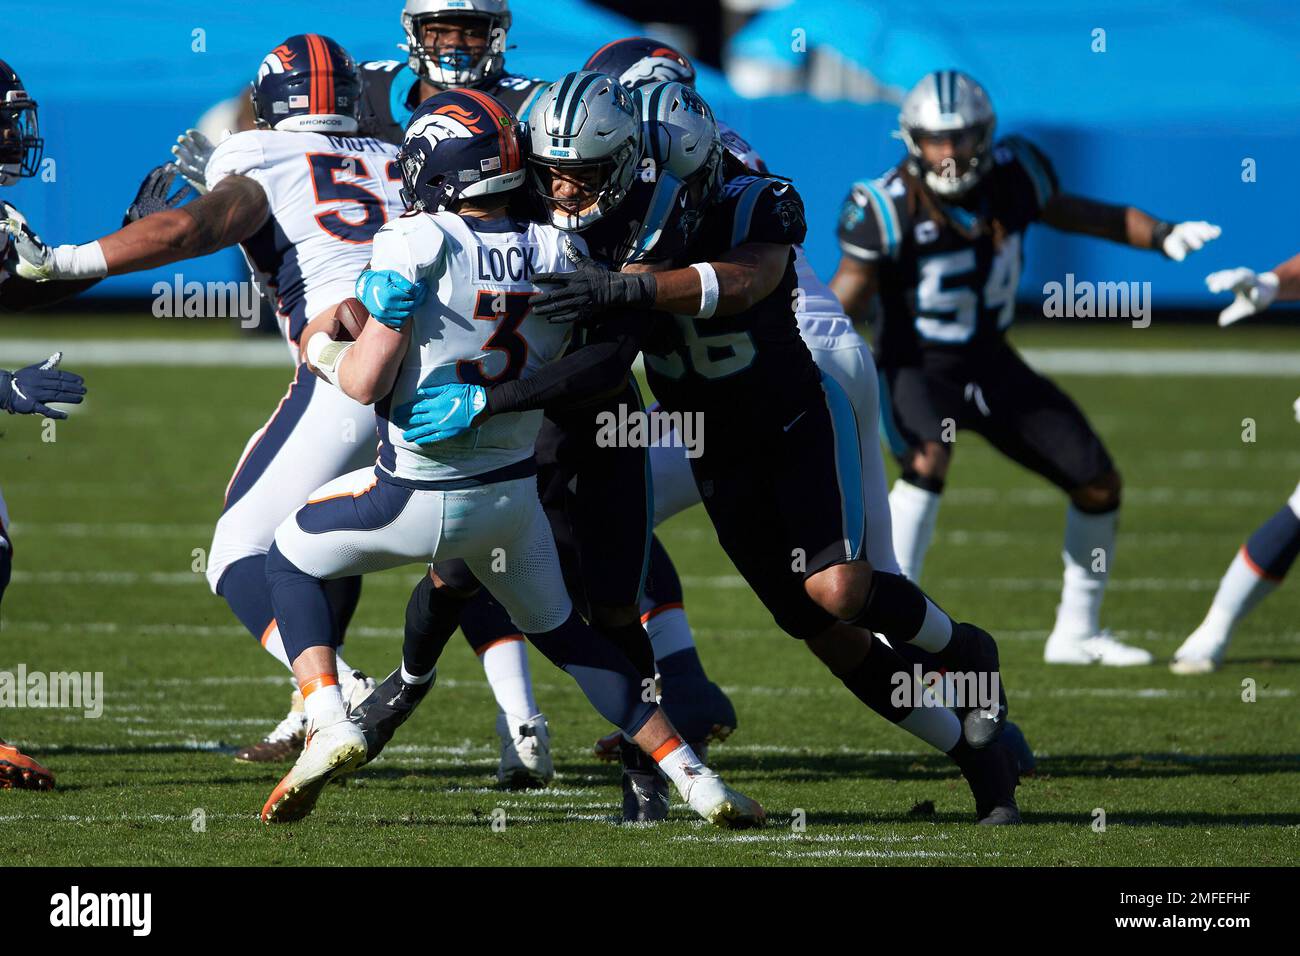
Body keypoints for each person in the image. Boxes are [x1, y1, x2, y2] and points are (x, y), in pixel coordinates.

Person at [259, 90, 764, 828]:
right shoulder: (561, 247)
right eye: (550, 170)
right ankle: (694, 779)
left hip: (430, 486)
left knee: (287, 557)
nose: (564, 187)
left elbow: (369, 378)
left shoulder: (418, 238)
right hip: (513, 497)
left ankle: (331, 715)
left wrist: (321, 344)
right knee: (560, 631)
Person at [830, 70, 1220, 666]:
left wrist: (1160, 234)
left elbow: (1083, 214)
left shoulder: (1017, 175)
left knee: (1097, 481)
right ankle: (890, 622)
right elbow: (846, 298)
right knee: (927, 460)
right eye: (937, 138)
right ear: (913, 139)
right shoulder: (884, 204)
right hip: (916, 364)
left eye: (960, 137)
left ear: (984, 135)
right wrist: (811, 351)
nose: (950, 151)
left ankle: (1076, 631)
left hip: (991, 360)